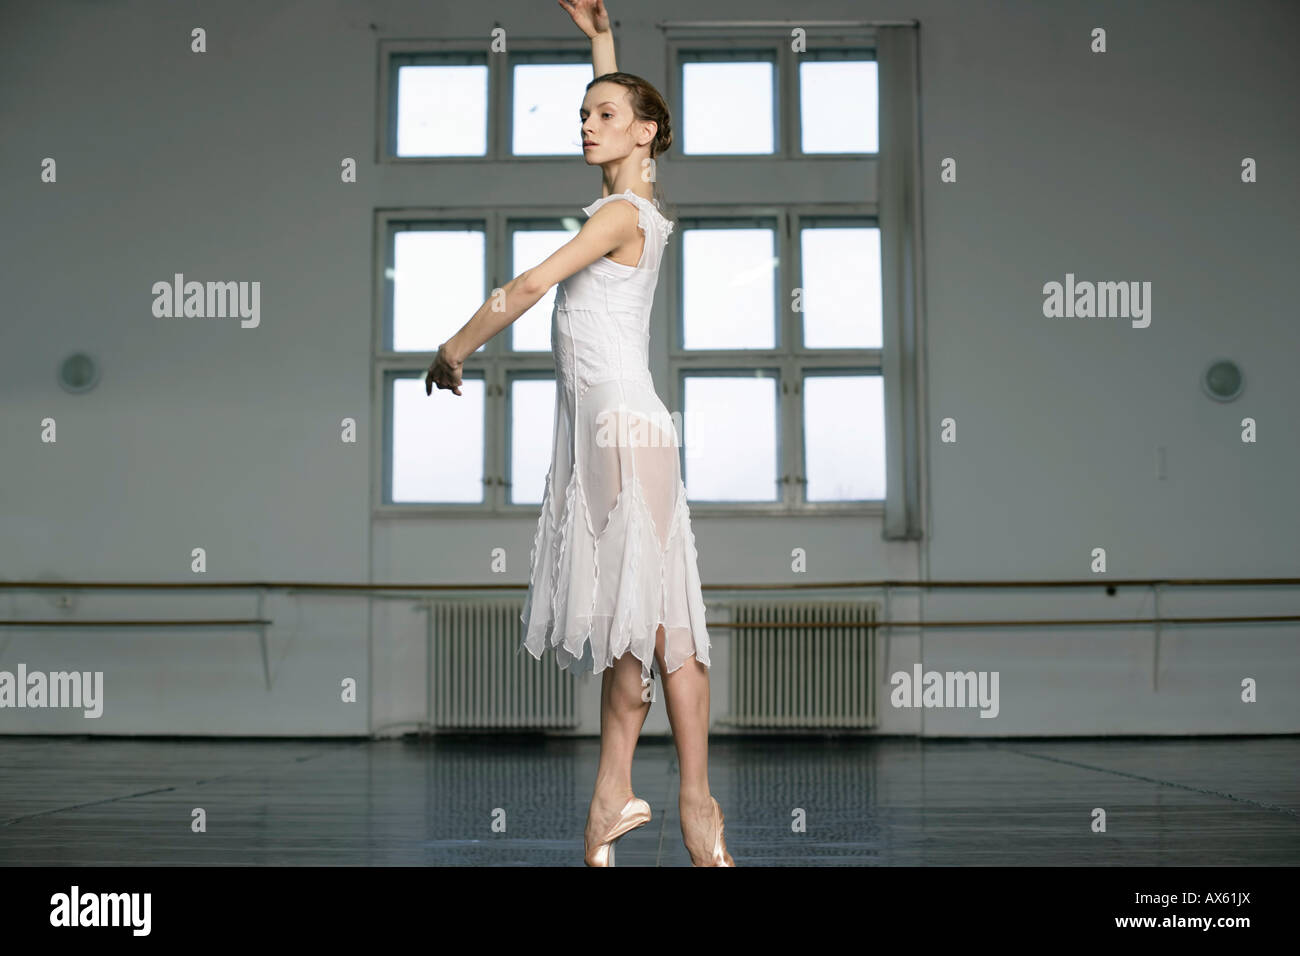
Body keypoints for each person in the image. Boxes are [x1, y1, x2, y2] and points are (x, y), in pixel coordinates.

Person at [425, 0, 733, 867]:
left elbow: (524, 288)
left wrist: (452, 348)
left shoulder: (620, 218)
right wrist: (599, 41)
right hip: (601, 431)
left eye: (604, 117)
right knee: (629, 624)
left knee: (667, 626)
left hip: (626, 427)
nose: (586, 126)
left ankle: (693, 807)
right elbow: (622, 107)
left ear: (647, 132)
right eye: (581, 116)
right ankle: (611, 802)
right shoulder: (628, 202)